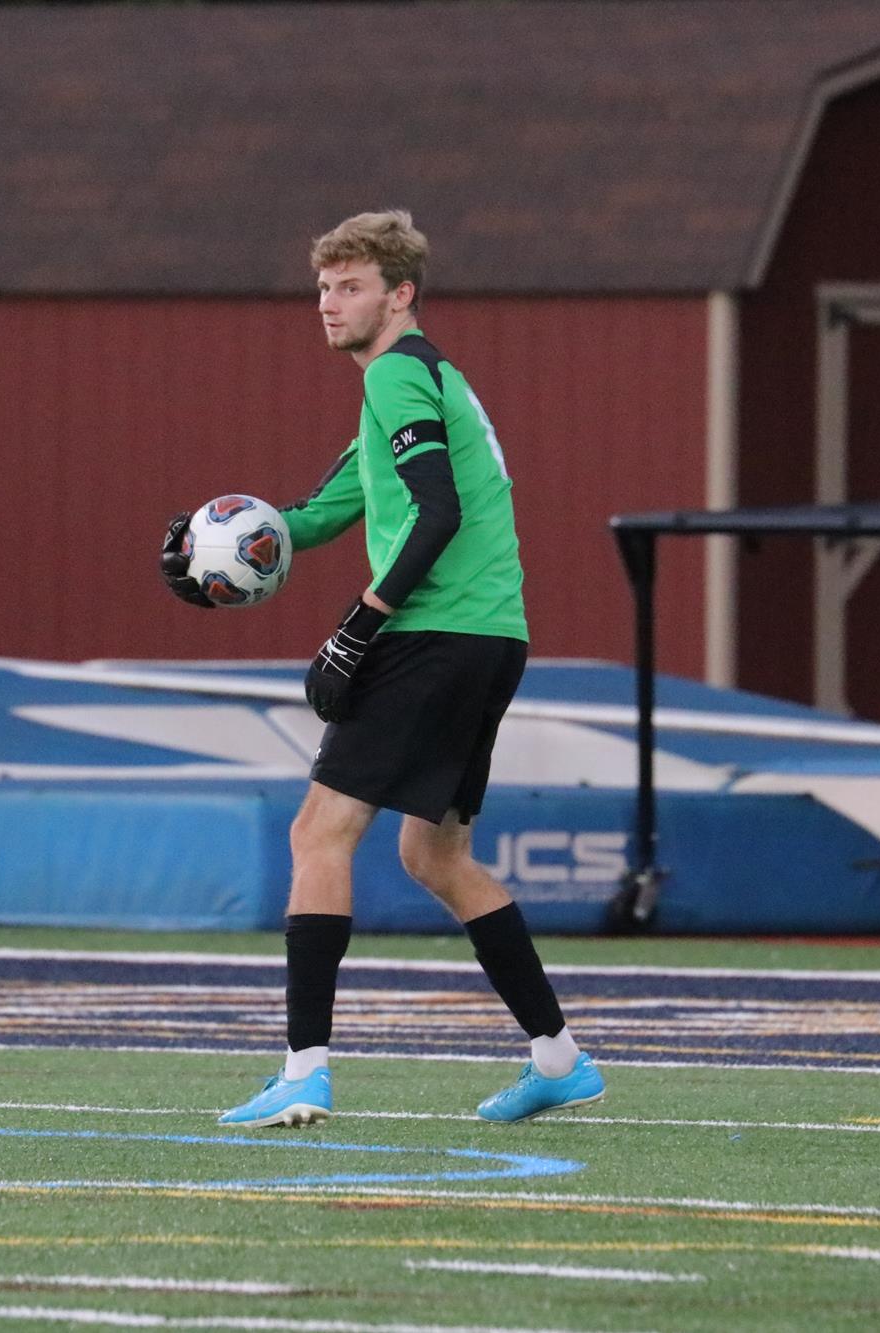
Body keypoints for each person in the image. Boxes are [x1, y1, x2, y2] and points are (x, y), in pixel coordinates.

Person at [159, 209, 603, 1128]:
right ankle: (559, 1059)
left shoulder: (399, 374)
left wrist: (359, 627)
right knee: (433, 852)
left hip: (435, 633)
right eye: (322, 286)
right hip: (492, 634)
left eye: (350, 286)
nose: (328, 302)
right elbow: (325, 511)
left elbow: (434, 514)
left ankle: (303, 1072)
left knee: (319, 833)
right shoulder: (412, 381)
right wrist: (226, 545)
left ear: (400, 296)